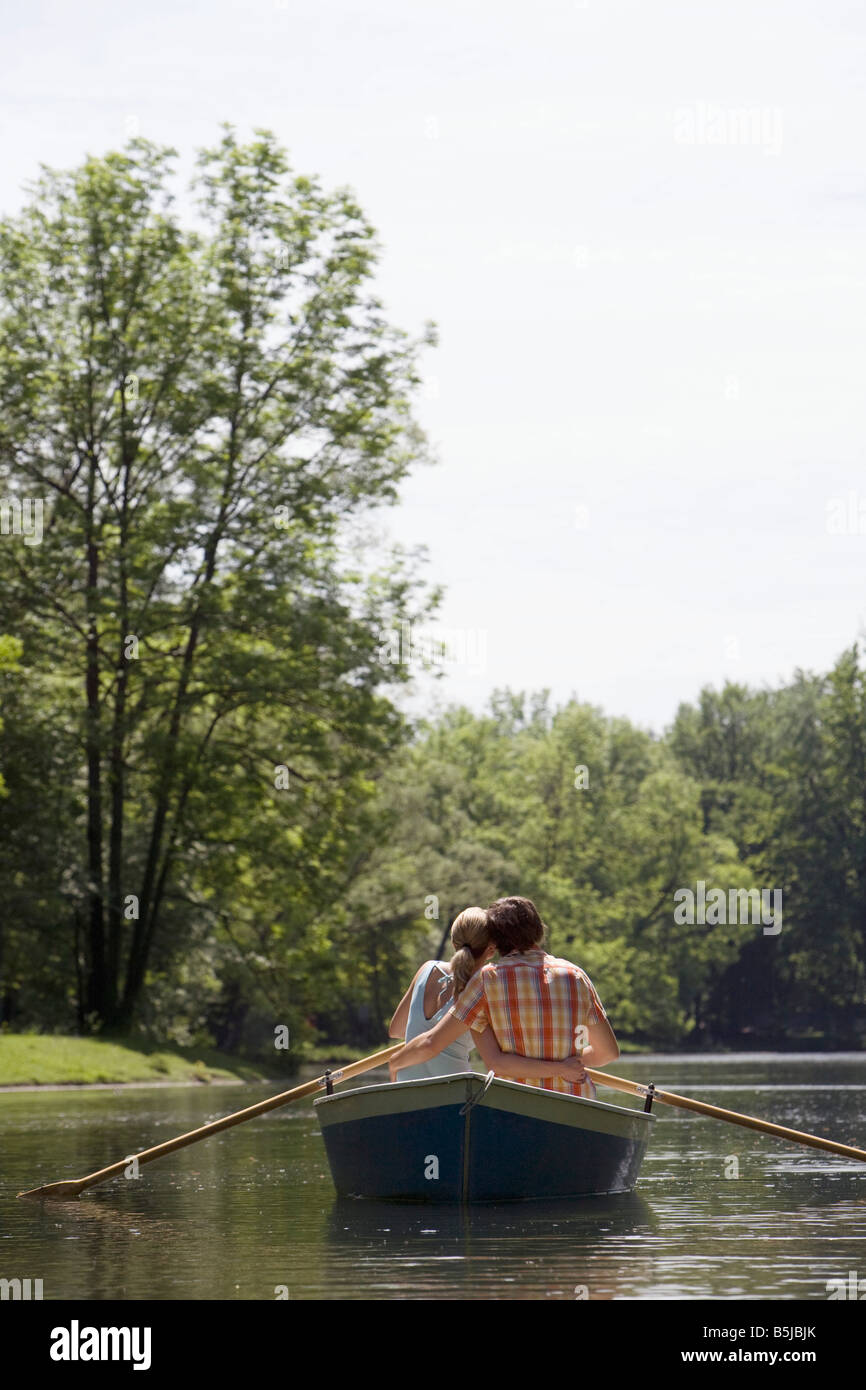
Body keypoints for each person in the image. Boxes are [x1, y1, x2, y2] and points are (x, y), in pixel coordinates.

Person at [388, 896, 618, 1098]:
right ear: (539, 930)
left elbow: (493, 1062)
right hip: (576, 1100)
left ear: (496, 943)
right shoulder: (577, 976)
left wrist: (396, 1061)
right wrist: (569, 1065)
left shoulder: (487, 980)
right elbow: (607, 1052)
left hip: (514, 1105)